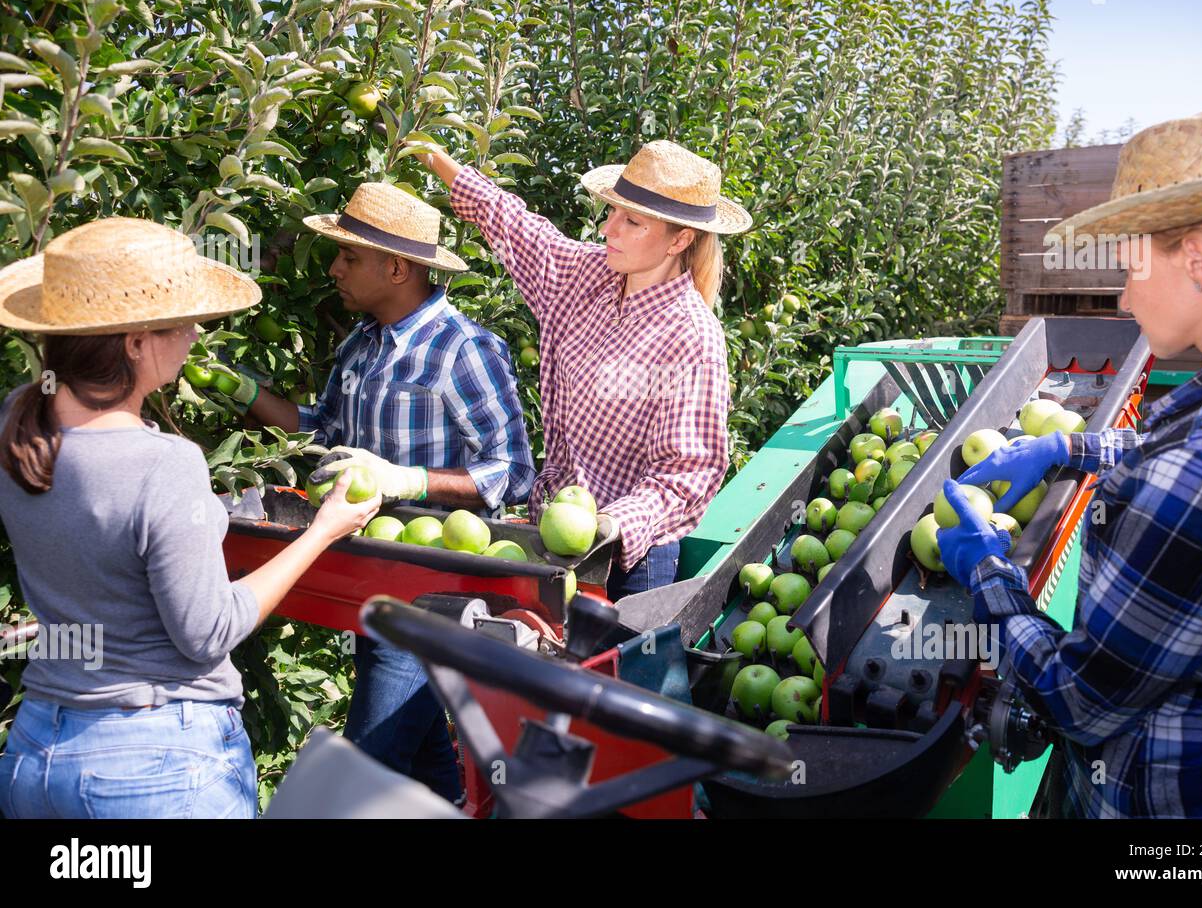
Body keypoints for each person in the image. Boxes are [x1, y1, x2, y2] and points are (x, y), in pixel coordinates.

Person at [938, 105, 1202, 817]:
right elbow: (1198, 456)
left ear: (1199, 260)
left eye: (1133, 265)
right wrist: (1066, 446)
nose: (1123, 293)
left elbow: (1074, 700)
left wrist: (990, 575)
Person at [0, 217, 380, 819]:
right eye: (183, 321)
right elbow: (207, 632)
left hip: (37, 751)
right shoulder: (163, 464)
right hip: (151, 767)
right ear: (135, 342)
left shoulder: (17, 422)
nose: (197, 332)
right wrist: (325, 530)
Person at [194, 181, 536, 802]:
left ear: (397, 267)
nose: (334, 269)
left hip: (434, 596)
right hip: (370, 579)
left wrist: (407, 481)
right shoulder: (361, 345)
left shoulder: (463, 350)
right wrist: (240, 390)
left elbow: (511, 471)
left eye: (349, 257)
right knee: (424, 755)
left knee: (361, 765)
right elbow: (319, 432)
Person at [417, 139, 751, 597]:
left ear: (680, 239)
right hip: (553, 536)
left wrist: (611, 523)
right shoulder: (589, 276)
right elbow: (517, 227)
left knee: (607, 669)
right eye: (612, 211)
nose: (609, 228)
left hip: (627, 564)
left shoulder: (690, 336)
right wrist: (434, 157)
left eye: (632, 221)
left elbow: (687, 471)